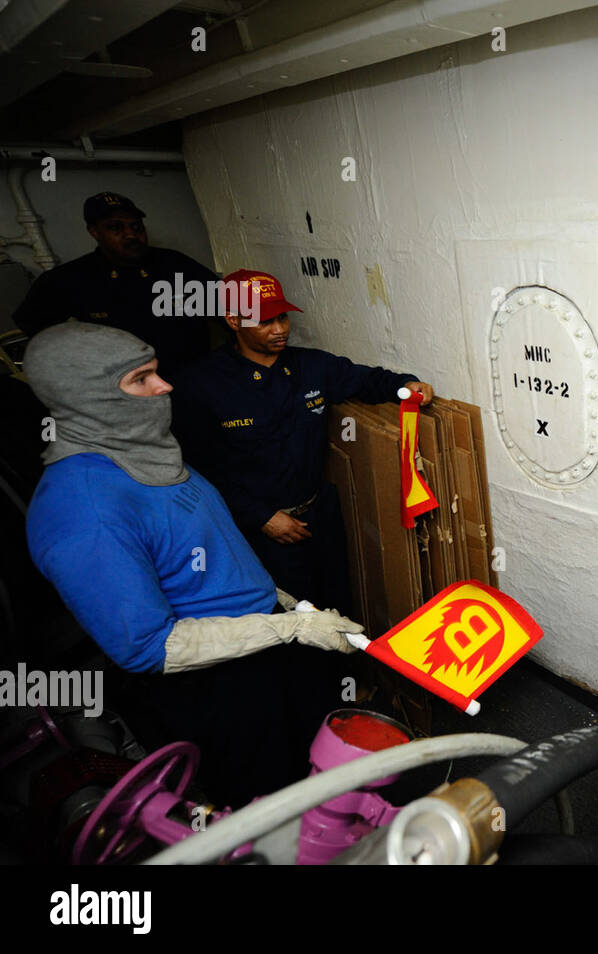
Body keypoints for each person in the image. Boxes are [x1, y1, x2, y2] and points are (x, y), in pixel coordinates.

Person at [23, 323, 362, 806]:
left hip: (263, 642)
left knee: (316, 766)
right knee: (268, 800)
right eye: (142, 380)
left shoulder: (147, 453)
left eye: (157, 373)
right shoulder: (82, 511)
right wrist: (288, 630)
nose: (165, 388)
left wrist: (287, 606)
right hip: (213, 683)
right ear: (87, 397)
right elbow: (149, 648)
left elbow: (210, 549)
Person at [171, 269, 434, 612]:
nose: (280, 329)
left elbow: (368, 380)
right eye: (265, 321)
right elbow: (197, 466)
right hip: (259, 530)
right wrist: (261, 516)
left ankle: (344, 667)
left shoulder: (312, 366)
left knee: (337, 606)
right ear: (233, 320)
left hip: (318, 515)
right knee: (287, 617)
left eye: (282, 317)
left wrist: (408, 385)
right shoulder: (201, 384)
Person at [12, 192, 219, 377]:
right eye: (115, 227)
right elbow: (32, 322)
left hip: (193, 378)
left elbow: (227, 308)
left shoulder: (175, 264)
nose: (130, 234)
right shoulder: (71, 278)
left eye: (136, 226)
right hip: (124, 388)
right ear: (94, 232)